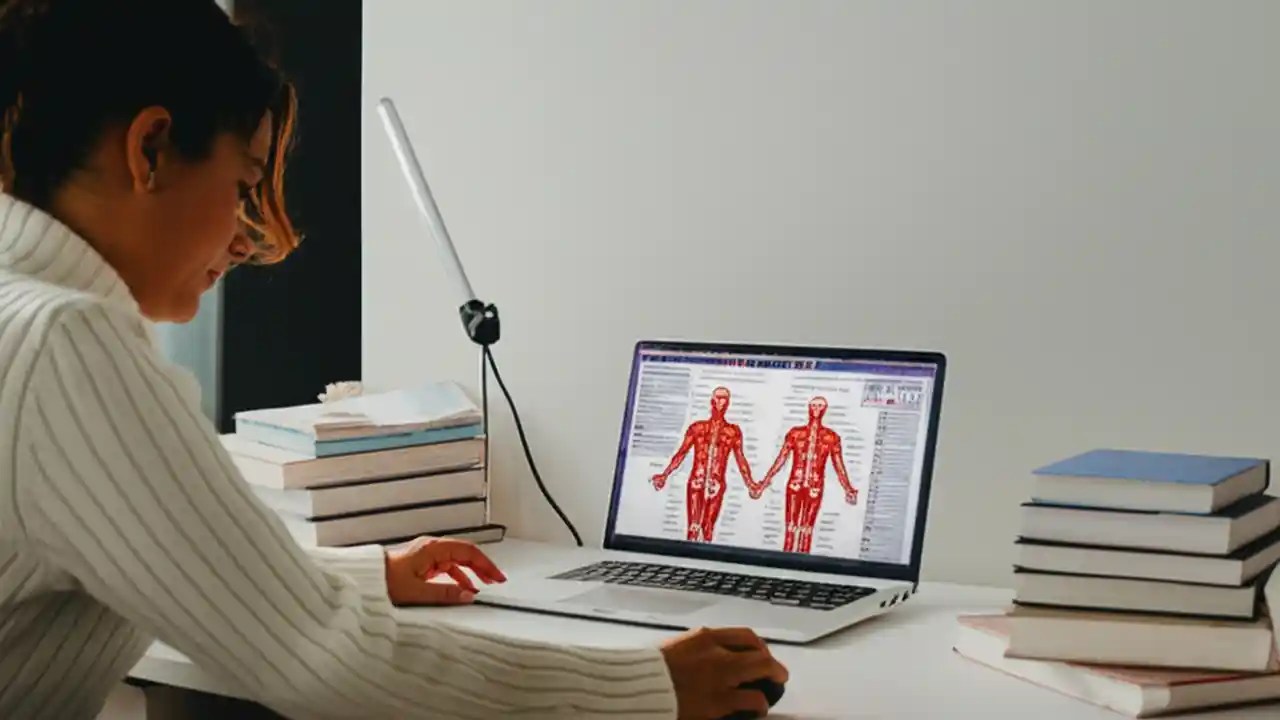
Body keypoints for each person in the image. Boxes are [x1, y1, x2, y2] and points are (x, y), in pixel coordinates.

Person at [0, 1, 788, 718]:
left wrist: (369, 576)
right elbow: (325, 659)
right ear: (152, 150)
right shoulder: (65, 345)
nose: (243, 239)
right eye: (242, 184)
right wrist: (645, 689)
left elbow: (182, 565)